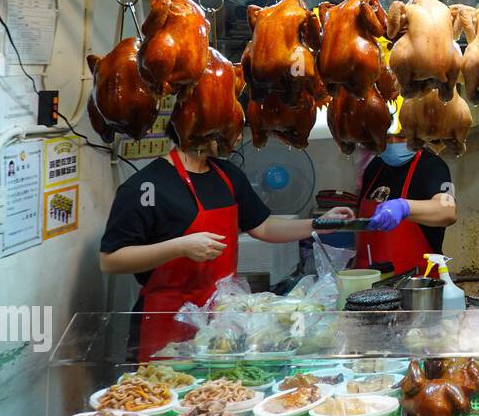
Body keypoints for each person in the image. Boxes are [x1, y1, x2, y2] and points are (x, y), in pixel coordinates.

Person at [99, 142, 353, 358]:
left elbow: (262, 226)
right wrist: (179, 247)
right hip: (167, 321)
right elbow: (111, 260)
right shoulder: (147, 185)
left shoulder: (227, 174)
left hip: (223, 318)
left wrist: (317, 225)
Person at [354, 126, 458, 274]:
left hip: (416, 285)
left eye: (401, 136)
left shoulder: (433, 166)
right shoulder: (374, 167)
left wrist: (404, 207)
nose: (393, 143)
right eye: (387, 137)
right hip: (368, 283)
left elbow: (448, 211)